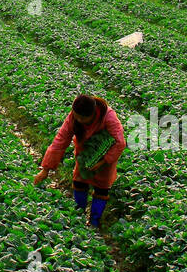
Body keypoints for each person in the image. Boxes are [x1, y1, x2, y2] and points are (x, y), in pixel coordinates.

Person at [34, 94, 126, 227]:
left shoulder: (108, 117)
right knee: (79, 181)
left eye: (83, 118)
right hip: (84, 153)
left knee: (101, 187)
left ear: (93, 114)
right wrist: (46, 169)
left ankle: (94, 221)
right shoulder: (74, 117)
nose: (79, 119)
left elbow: (120, 142)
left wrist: (103, 161)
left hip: (105, 155)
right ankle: (78, 216)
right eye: (76, 116)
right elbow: (61, 140)